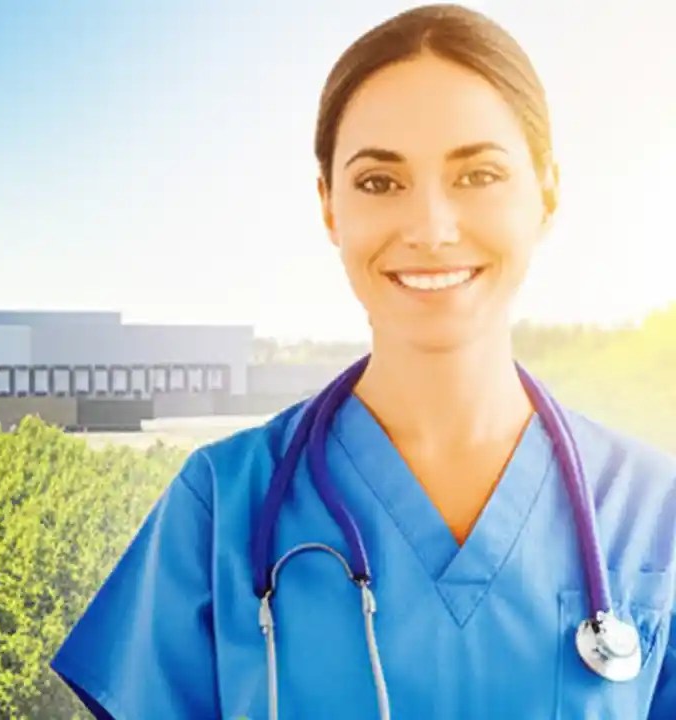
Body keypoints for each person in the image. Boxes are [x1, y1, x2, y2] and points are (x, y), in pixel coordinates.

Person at [49, 4, 676, 718]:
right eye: (381, 182)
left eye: (478, 175)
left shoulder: (654, 516)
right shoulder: (222, 507)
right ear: (328, 208)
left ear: (548, 192)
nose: (432, 229)